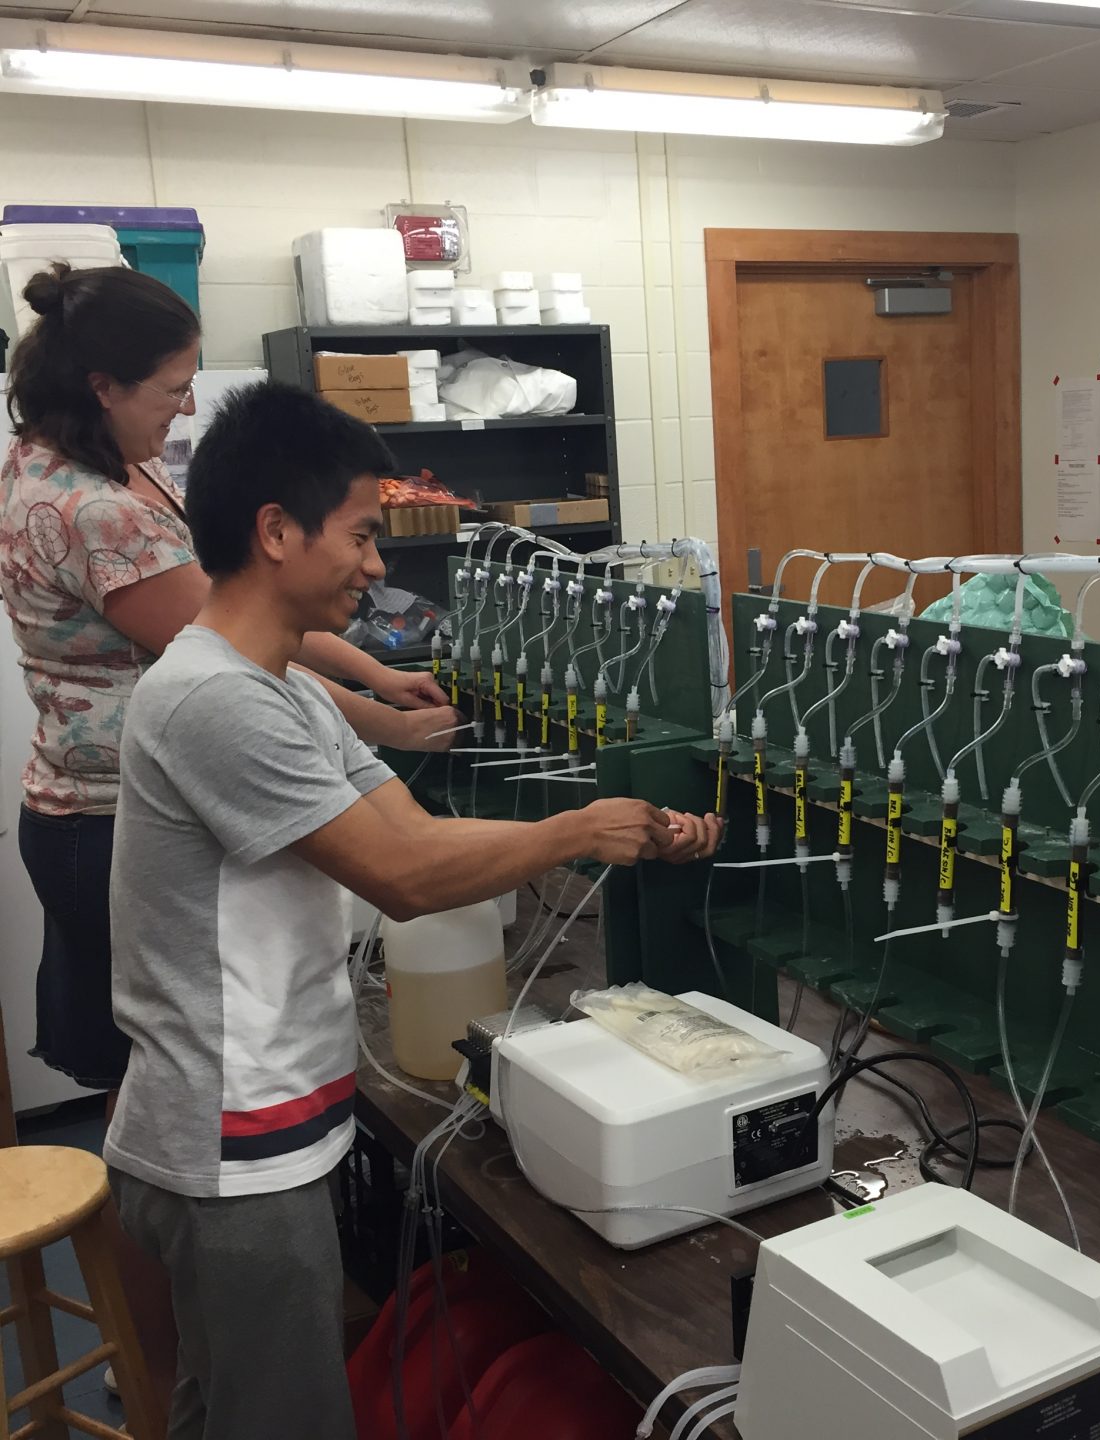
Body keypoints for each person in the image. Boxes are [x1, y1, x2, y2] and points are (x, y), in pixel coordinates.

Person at [103, 380, 720, 1440]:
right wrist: (576, 832)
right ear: (276, 532)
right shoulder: (213, 699)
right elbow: (401, 875)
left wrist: (610, 824)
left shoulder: (286, 688)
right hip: (230, 1147)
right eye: (362, 535)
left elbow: (412, 831)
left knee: (227, 1408)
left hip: (260, 1120)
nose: (380, 567)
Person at [0, 262, 460, 1097]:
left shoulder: (93, 459)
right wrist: (384, 722)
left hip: (92, 800)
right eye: (173, 388)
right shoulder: (91, 509)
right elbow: (233, 644)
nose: (185, 408)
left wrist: (377, 675)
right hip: (106, 821)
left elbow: (246, 595)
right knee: (167, 1078)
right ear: (103, 386)